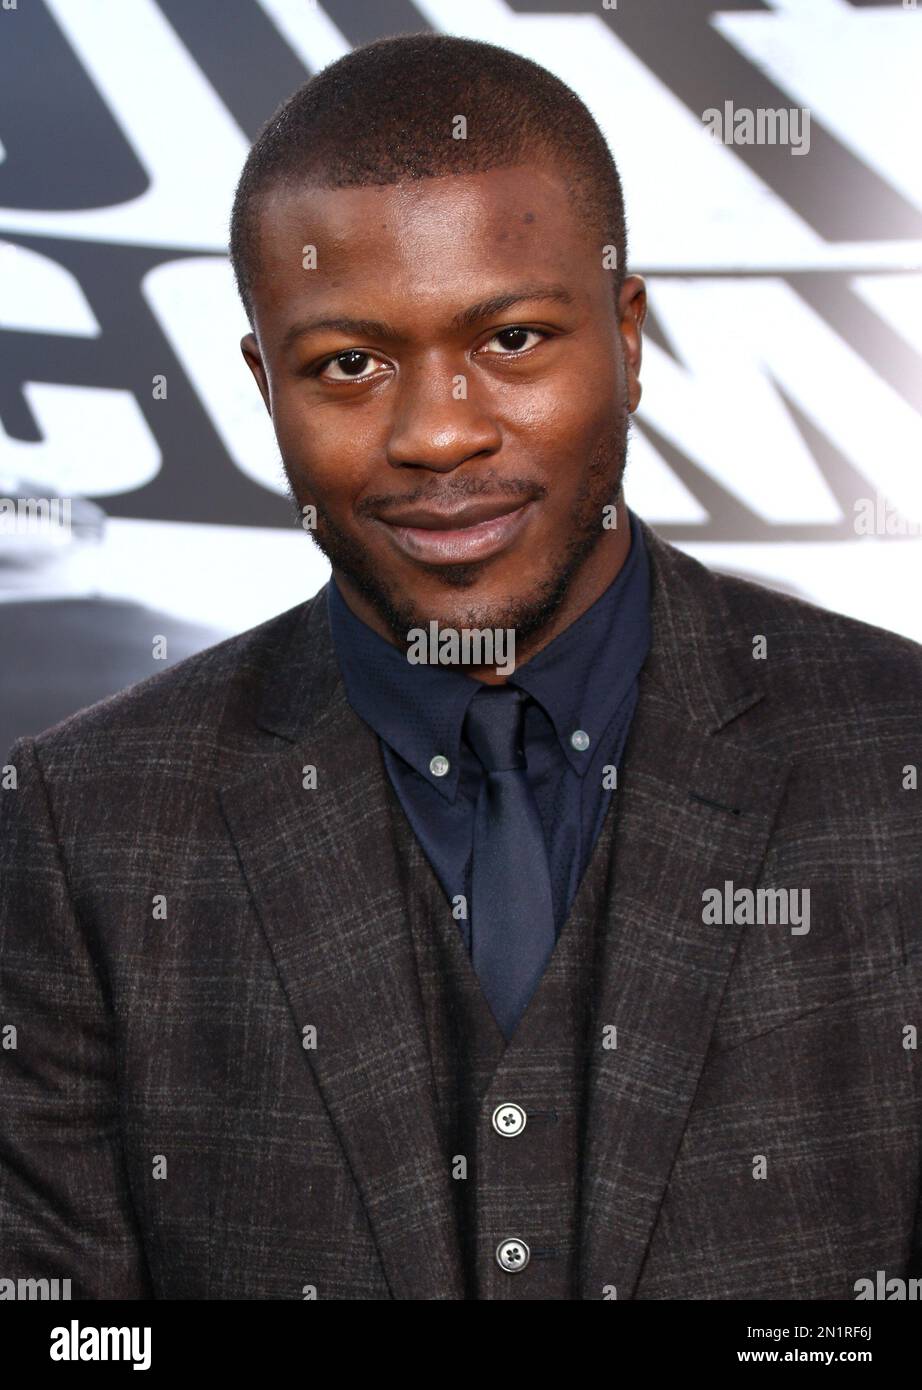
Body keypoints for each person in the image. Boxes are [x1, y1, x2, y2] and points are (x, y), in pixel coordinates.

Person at [1, 33, 920, 1302]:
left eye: (513, 340)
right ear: (265, 385)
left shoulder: (898, 762)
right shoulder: (79, 825)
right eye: (349, 365)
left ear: (629, 336)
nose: (438, 431)